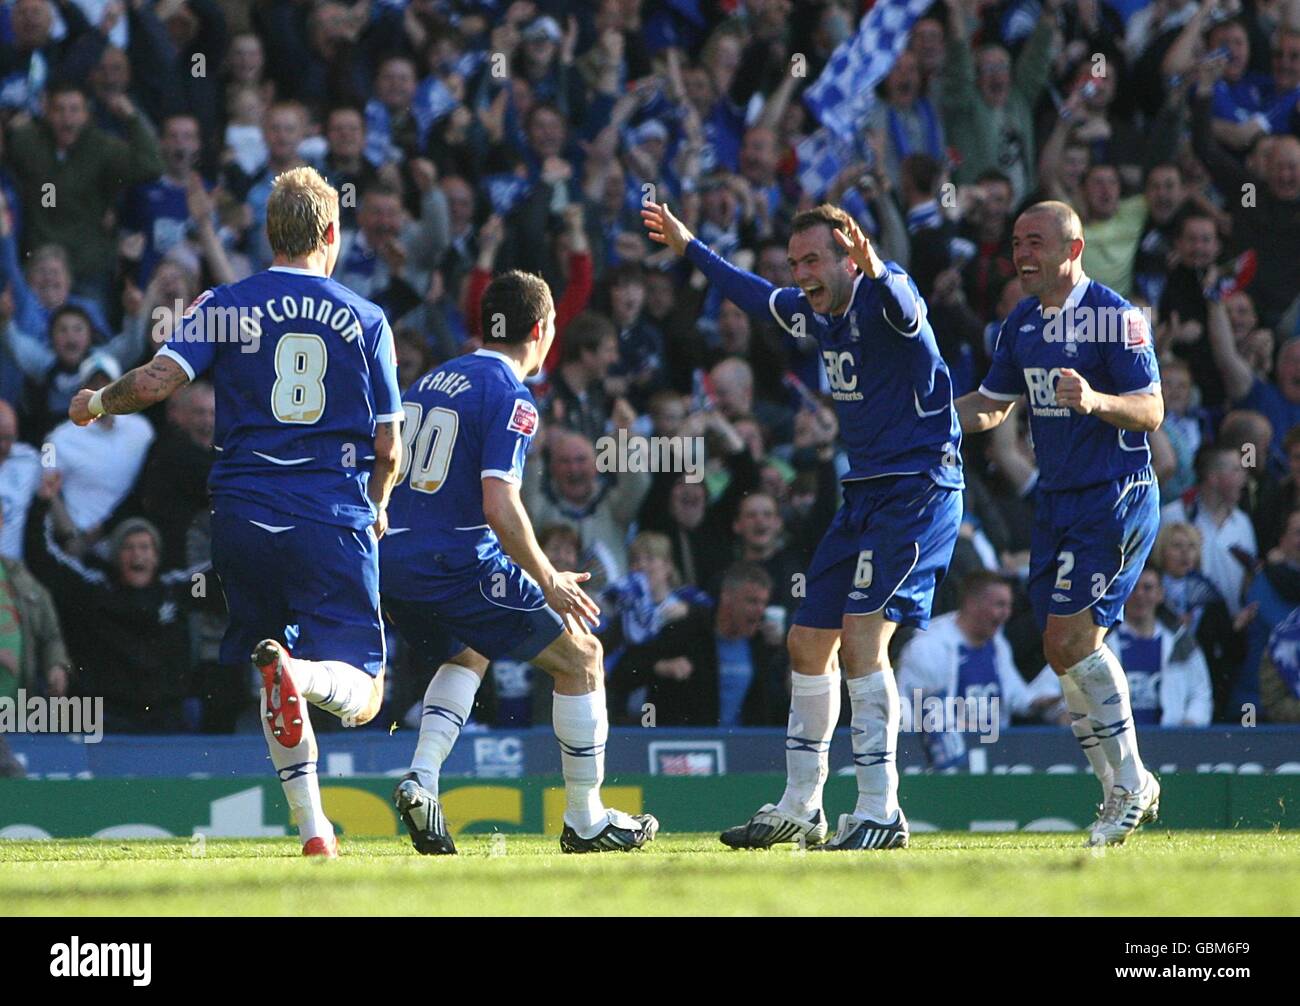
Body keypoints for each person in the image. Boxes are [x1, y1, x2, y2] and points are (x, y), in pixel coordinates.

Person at [67, 166, 403, 859]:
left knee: (269, 658)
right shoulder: (367, 319)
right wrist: (377, 507)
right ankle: (304, 678)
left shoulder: (224, 303)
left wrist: (97, 402)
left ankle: (314, 830)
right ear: (331, 233)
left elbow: (159, 382)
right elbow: (389, 447)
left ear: (269, 232)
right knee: (365, 689)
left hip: (243, 517)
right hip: (328, 515)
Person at [644, 199, 964, 852]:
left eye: (814, 259)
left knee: (862, 638)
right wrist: (690, 248)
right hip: (865, 494)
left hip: (918, 491)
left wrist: (879, 268)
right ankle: (803, 805)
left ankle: (881, 809)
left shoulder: (885, 301)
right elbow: (755, 295)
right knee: (805, 643)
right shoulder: (811, 310)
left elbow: (908, 306)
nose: (802, 274)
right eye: (796, 263)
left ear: (851, 254)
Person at [379, 270, 658, 856]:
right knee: (582, 657)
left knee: (469, 650)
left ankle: (422, 780)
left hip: (391, 558)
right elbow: (500, 505)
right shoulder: (511, 395)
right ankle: (585, 818)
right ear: (542, 330)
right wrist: (547, 576)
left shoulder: (429, 381)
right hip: (452, 558)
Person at [955, 200, 1164, 846]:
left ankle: (1129, 782)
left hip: (1114, 495)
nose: (1022, 254)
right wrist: (926, 421)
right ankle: (1122, 790)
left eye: (1036, 242)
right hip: (1057, 502)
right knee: (1057, 650)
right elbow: (993, 405)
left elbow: (1153, 409)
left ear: (1072, 250)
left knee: (1074, 641)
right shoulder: (1019, 324)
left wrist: (1096, 399)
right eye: (1017, 241)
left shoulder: (1115, 318)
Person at [897, 571, 1063, 769]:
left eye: (1009, 606)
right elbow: (915, 713)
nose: (1006, 613)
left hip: (995, 754)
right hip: (943, 759)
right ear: (972, 604)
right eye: (999, 605)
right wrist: (969, 731)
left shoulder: (997, 644)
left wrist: (1050, 702)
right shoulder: (928, 647)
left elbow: (1016, 697)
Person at [1106, 567, 1213, 728]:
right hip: (1115, 744)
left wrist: (1191, 725)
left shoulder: (1182, 642)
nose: (1140, 594)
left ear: (1160, 594)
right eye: (1133, 588)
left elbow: (1201, 693)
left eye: (1147, 588)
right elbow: (1061, 688)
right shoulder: (1101, 642)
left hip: (1170, 744)